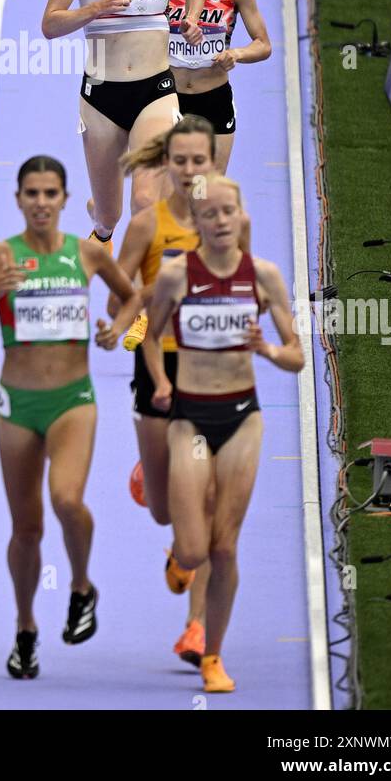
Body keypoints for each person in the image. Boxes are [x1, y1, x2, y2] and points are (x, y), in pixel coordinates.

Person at [0, 155, 141, 679]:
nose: (40, 203)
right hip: (17, 405)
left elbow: (133, 297)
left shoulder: (86, 254)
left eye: (50, 193)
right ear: (18, 200)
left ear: (63, 199)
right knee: (26, 529)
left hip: (72, 400)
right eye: (31, 194)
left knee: (67, 500)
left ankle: (81, 586)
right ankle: (26, 627)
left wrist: (115, 328)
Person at [143, 173, 303, 692]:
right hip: (189, 416)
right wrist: (163, 380)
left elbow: (297, 356)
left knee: (225, 546)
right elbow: (149, 332)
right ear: (197, 221)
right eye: (207, 213)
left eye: (226, 212)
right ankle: (178, 559)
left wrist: (268, 351)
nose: (218, 221)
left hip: (242, 418)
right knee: (194, 546)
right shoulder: (175, 274)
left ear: (241, 216)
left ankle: (212, 656)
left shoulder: (264, 277)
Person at [109, 116, 252, 667]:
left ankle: (196, 630)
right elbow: (121, 305)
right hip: (156, 372)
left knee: (212, 507)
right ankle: (158, 491)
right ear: (165, 163)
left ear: (215, 163)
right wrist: (138, 320)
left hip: (212, 375)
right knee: (167, 511)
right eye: (181, 160)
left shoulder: (232, 224)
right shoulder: (146, 226)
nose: (192, 170)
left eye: (201, 161)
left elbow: (244, 293)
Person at [39, 0, 205, 248]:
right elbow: (50, 24)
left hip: (156, 91)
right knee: (110, 215)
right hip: (102, 97)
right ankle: (101, 220)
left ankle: (138, 304)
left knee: (146, 200)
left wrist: (191, 18)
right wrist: (96, 8)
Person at [166, 0, 271, 172]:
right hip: (164, 98)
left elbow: (263, 44)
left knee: (204, 192)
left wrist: (235, 54)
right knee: (162, 192)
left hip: (212, 99)